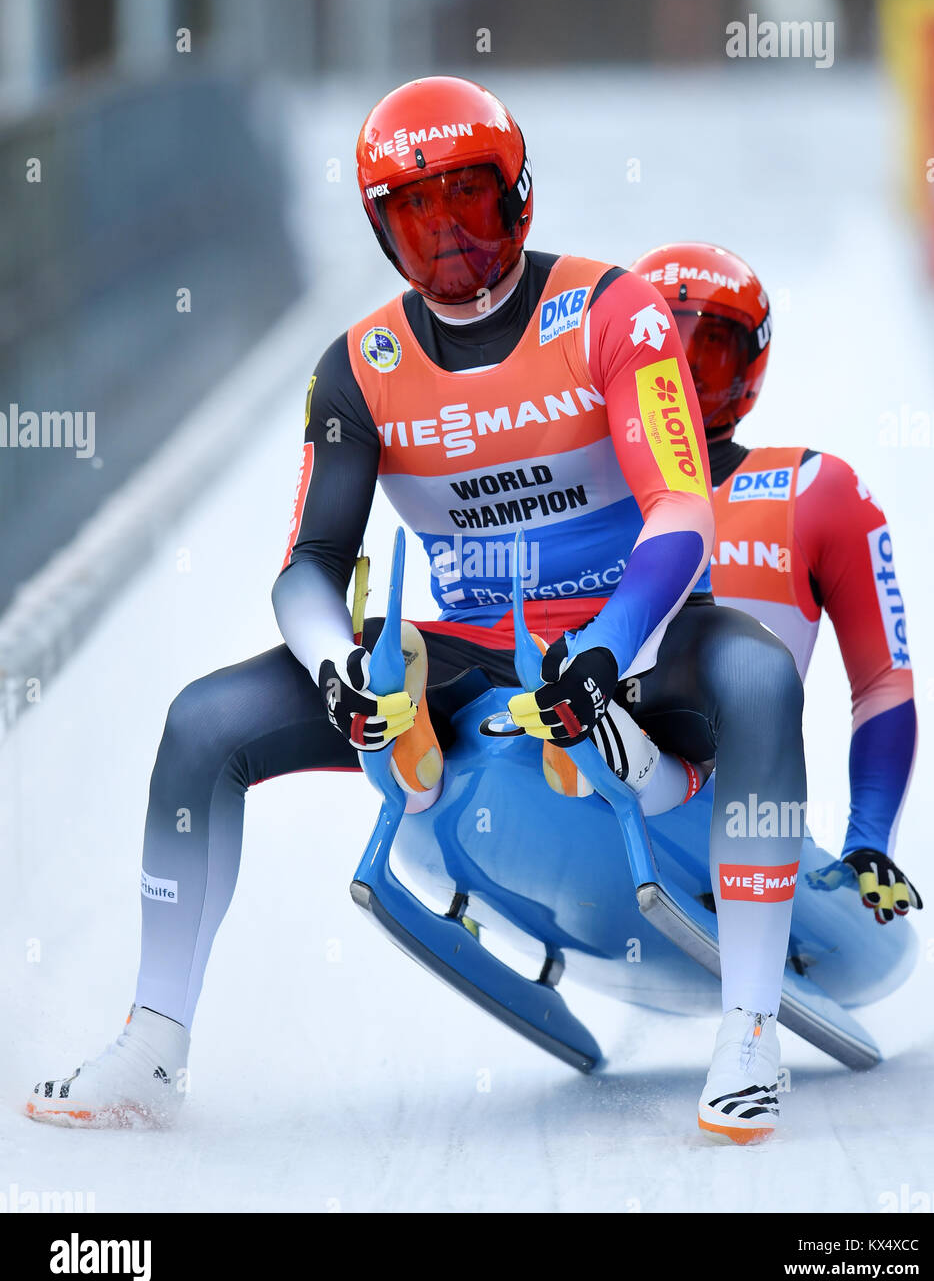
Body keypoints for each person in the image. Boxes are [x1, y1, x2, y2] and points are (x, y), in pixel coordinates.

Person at [27, 80, 806, 1144]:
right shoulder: (357, 367)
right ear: (381, 229)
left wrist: (611, 642)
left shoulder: (616, 312)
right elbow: (308, 565)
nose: (449, 242)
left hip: (636, 630)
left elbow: (680, 504)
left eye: (468, 204)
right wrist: (333, 665)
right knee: (203, 722)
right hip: (463, 644)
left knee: (758, 674)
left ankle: (750, 1029)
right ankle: (152, 1042)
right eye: (415, 215)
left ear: (518, 197)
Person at [631, 242, 921, 924]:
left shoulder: (818, 489)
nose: (683, 371)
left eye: (708, 351)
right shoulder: (577, 485)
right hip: (594, 759)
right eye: (662, 348)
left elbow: (882, 679)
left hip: (749, 801)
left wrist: (867, 841)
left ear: (748, 366)